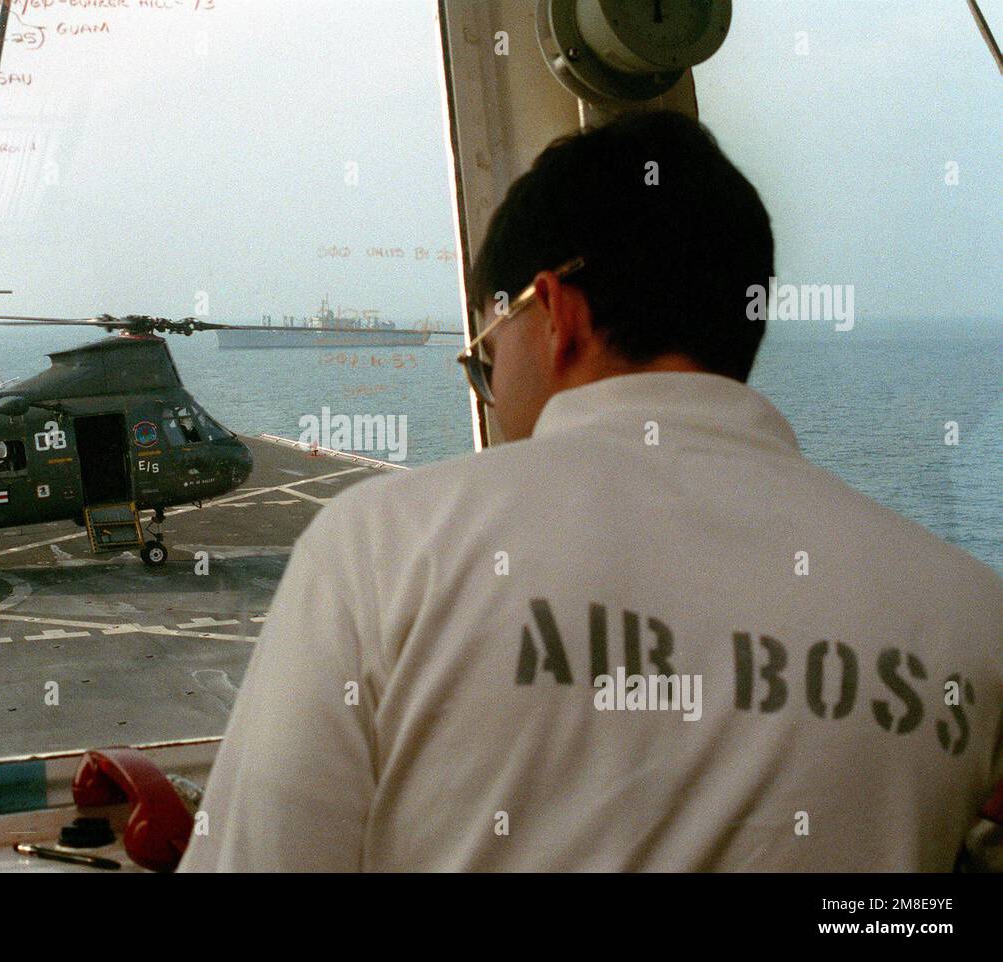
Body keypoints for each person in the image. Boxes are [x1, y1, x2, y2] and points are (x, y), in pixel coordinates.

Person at [178, 111, 1002, 872]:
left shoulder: (378, 547)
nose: (490, 393)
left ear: (555, 311)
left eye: (484, 361)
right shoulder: (972, 612)